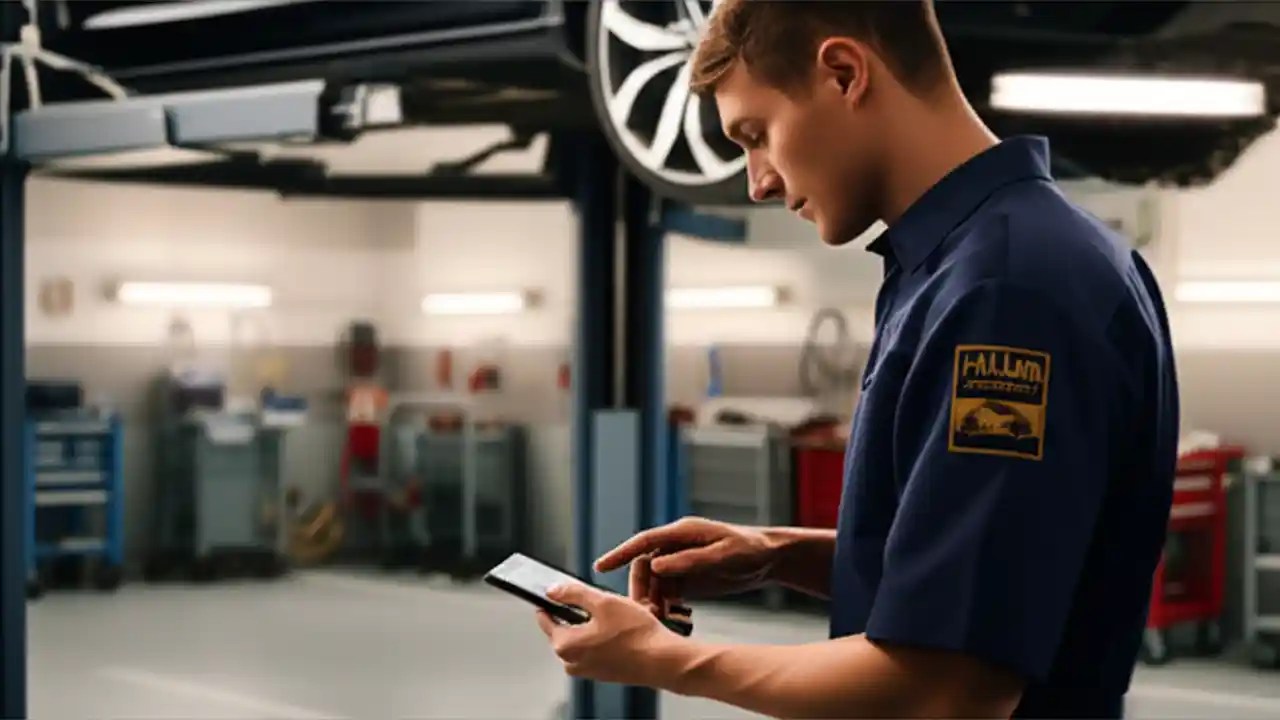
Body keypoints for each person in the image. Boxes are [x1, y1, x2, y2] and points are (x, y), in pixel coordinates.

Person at [533, 1, 1179, 717]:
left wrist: (666, 660)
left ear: (843, 73)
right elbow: (994, 569)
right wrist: (778, 553)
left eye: (757, 134)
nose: (758, 181)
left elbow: (947, 688)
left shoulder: (1007, 291)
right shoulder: (971, 264)